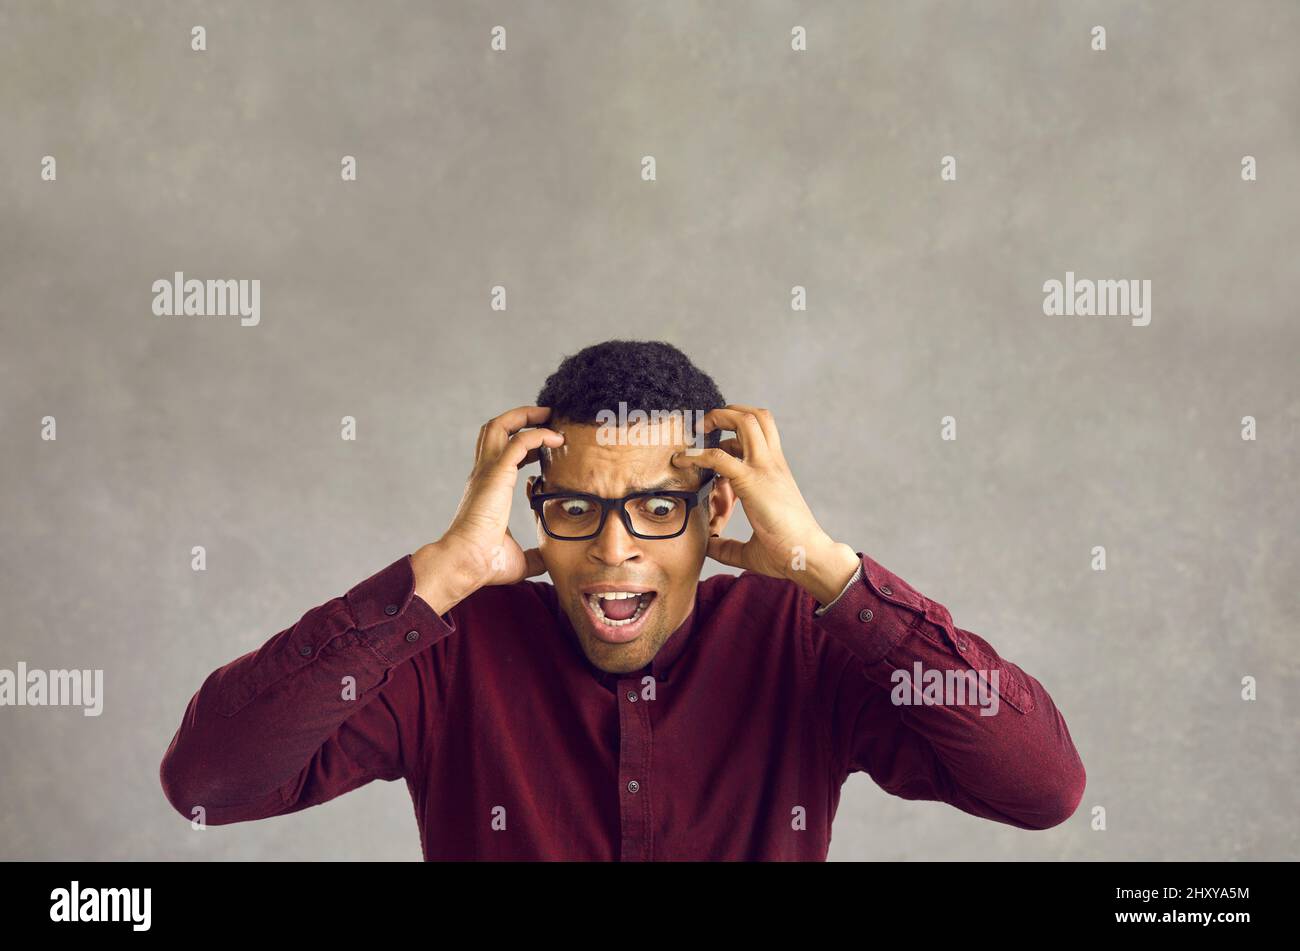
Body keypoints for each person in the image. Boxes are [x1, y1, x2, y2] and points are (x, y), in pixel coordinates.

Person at [159, 339, 1085, 860]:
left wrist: (832, 573)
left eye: (654, 507)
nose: (612, 549)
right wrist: (437, 575)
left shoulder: (801, 642)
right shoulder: (449, 646)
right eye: (574, 507)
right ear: (534, 508)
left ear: (715, 506)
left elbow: (1041, 787)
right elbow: (206, 781)